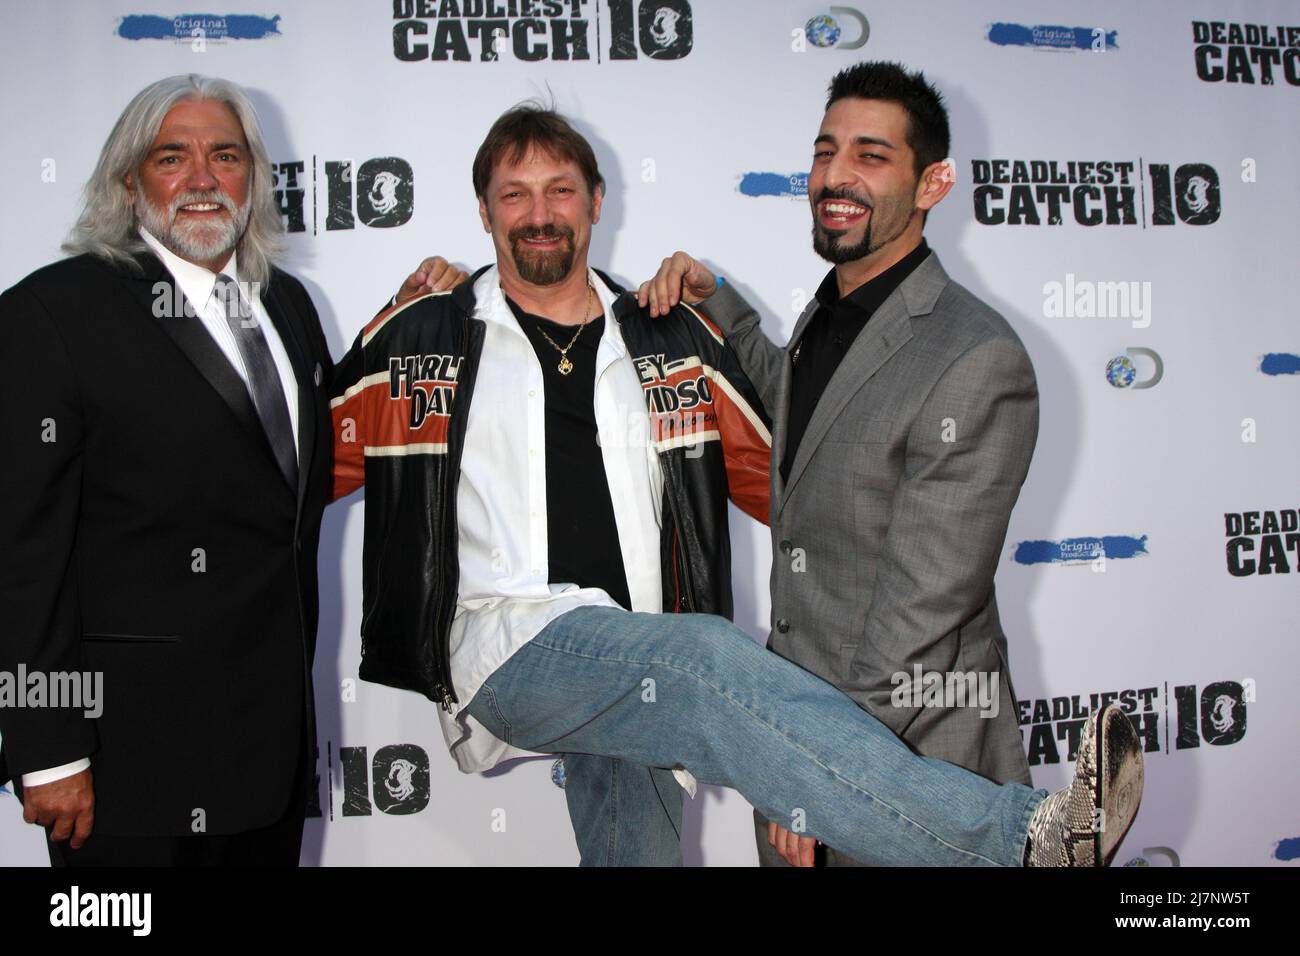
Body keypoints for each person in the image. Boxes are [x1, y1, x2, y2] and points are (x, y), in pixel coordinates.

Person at [334, 103, 1144, 867]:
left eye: (559, 190)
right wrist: (387, 323)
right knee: (704, 662)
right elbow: (301, 465)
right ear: (484, 211)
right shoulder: (425, 334)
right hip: (508, 642)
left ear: (596, 202)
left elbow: (798, 488)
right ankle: (1022, 843)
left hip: (636, 650)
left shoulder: (668, 337)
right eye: (514, 194)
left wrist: (810, 772)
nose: (538, 212)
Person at [0, 76, 468, 866]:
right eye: (171, 158)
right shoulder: (53, 313)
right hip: (129, 764)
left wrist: (407, 317)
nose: (203, 178)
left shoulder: (284, 303)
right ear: (128, 181)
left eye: (226, 155)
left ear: (252, 178)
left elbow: (296, 451)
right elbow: (20, 552)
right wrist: (47, 749)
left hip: (268, 748)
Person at [639, 61, 1047, 866]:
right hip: (802, 727)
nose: (836, 175)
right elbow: (807, 412)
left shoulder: (977, 355)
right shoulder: (832, 312)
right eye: (826, 152)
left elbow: (924, 606)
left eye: (871, 155)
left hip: (910, 762)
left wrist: (820, 777)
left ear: (932, 184)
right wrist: (715, 295)